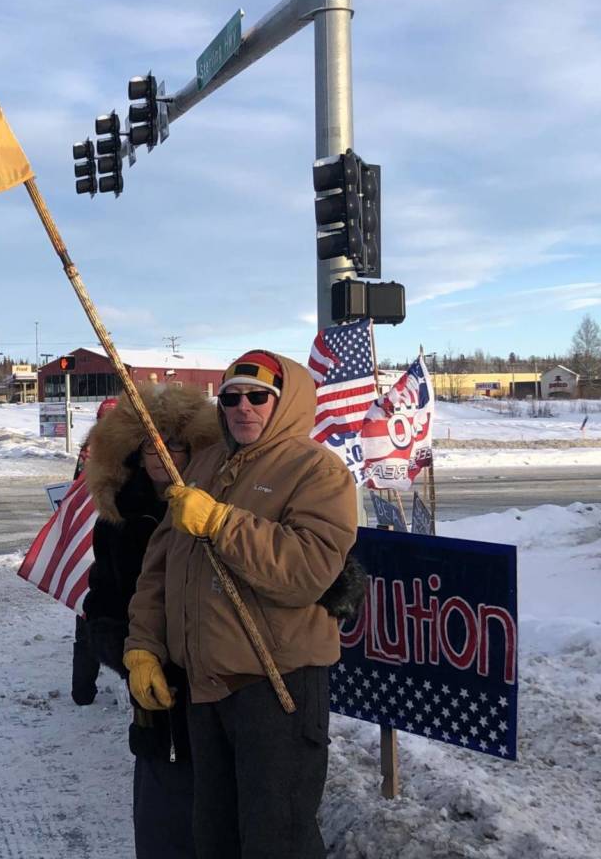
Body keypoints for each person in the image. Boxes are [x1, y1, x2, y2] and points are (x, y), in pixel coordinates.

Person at [125, 350, 358, 858]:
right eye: (231, 397)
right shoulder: (205, 466)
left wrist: (221, 524)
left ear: (285, 401)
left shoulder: (317, 470)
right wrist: (142, 646)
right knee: (216, 839)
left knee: (276, 842)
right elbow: (160, 567)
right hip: (205, 693)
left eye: (258, 397)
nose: (243, 408)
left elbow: (308, 572)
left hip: (275, 689)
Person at [82, 384, 220, 859]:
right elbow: (101, 603)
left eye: (176, 443)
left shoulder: (224, 504)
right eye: (151, 443)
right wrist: (129, 653)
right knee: (165, 820)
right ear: (136, 454)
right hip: (159, 694)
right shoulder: (117, 518)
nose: (164, 452)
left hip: (222, 683)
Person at [70, 396, 122, 706]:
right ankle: (87, 690)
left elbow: (75, 491)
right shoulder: (119, 452)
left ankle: (82, 691)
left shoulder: (88, 451)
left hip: (92, 545)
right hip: (102, 542)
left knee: (88, 616)